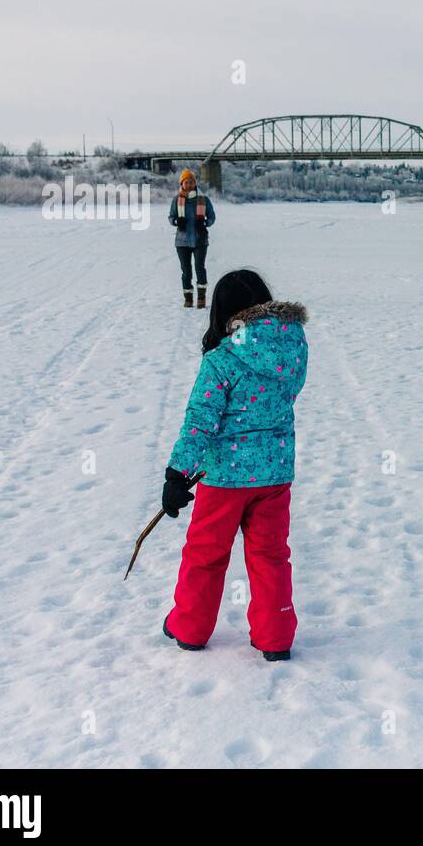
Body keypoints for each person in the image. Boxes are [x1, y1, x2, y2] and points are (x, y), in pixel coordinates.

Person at [159, 269, 309, 661]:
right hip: (274, 475)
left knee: (205, 555)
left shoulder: (222, 360)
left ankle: (189, 627)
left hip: (224, 479)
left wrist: (178, 473)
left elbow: (200, 421)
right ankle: (275, 637)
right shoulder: (293, 349)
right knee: (270, 557)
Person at [168, 168, 216, 308]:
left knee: (200, 268)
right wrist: (177, 221)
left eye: (191, 182)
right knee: (186, 270)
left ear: (195, 183)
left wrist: (205, 223)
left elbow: (212, 217)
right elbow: (171, 217)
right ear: (182, 184)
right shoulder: (176, 200)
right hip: (182, 242)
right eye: (186, 182)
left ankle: (201, 298)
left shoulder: (204, 199)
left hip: (200, 240)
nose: (189, 185)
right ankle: (188, 298)